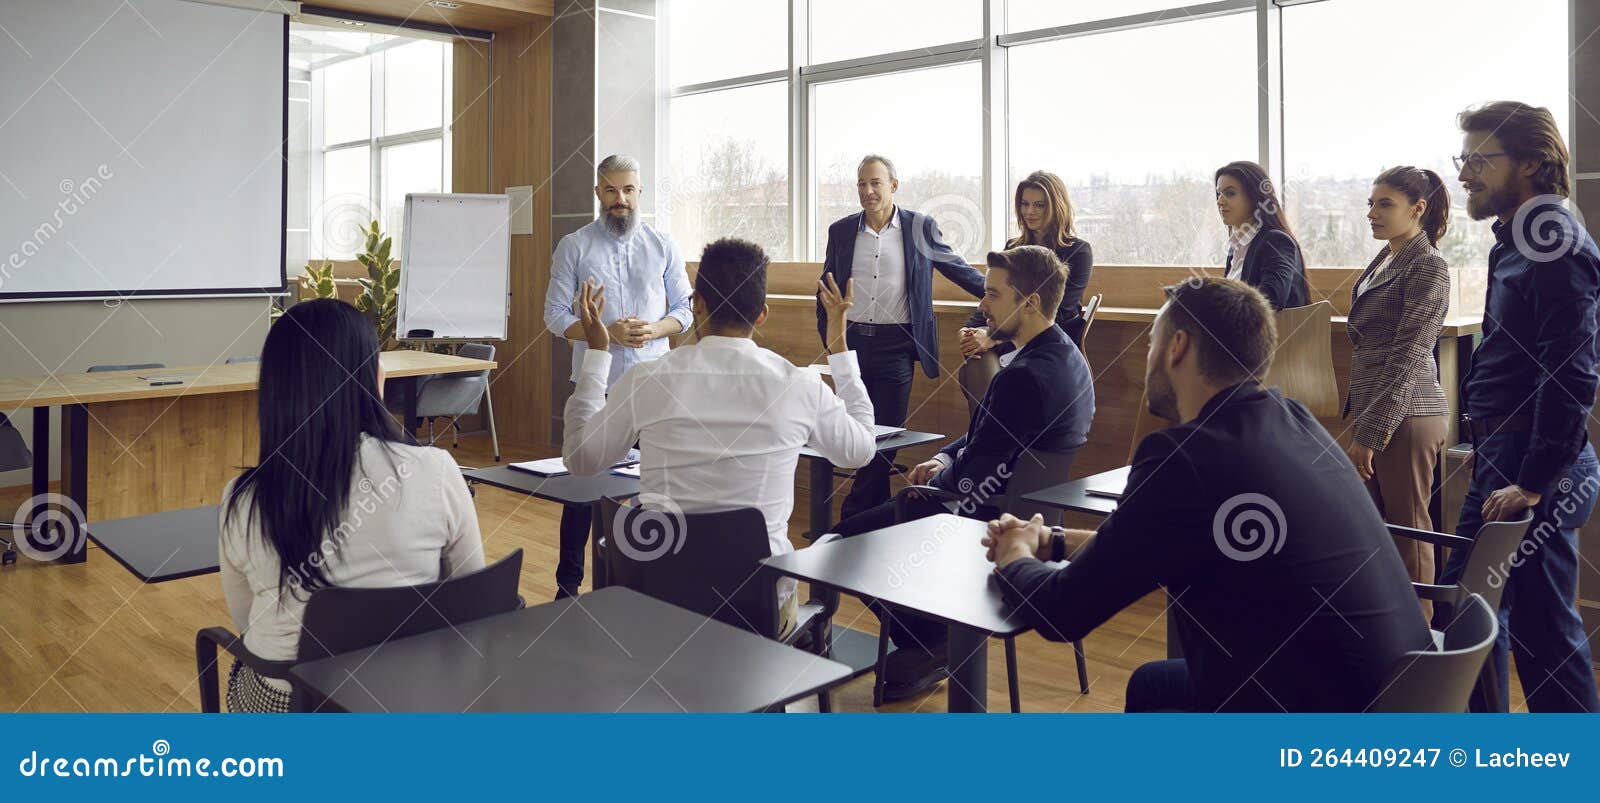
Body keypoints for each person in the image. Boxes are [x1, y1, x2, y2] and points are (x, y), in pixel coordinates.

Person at [984, 277, 1430, 712]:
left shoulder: (1182, 457)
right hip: (1411, 698)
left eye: (1151, 344)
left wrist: (1014, 554)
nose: (1147, 357)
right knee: (1154, 686)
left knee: (1162, 688)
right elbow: (1143, 545)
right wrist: (1052, 540)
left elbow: (1064, 612)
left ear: (1177, 347)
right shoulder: (1293, 419)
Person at [563, 238, 876, 634]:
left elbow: (580, 460)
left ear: (697, 303)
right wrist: (840, 351)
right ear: (761, 314)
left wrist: (596, 355)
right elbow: (860, 451)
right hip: (758, 614)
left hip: (660, 604)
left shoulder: (647, 379)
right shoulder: (800, 385)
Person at [830, 244, 1094, 700]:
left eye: (992, 294)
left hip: (983, 519)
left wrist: (935, 482)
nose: (982, 305)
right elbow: (989, 439)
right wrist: (946, 459)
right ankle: (933, 640)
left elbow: (979, 475)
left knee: (840, 544)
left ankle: (932, 638)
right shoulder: (1066, 355)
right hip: (1021, 508)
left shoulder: (1023, 376)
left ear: (1028, 302)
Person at [219, 299, 484, 713]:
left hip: (286, 707)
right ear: (372, 378)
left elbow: (246, 621)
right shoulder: (434, 469)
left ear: (275, 391)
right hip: (408, 703)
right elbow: (473, 597)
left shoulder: (242, 498)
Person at [1448, 100, 1600, 712]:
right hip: (1501, 454)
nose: (1464, 174)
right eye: (1463, 159)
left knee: (1542, 636)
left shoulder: (1553, 241)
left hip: (1532, 466)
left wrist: (1535, 482)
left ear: (1534, 163)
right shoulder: (1515, 238)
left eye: (1480, 160)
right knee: (1473, 620)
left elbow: (1571, 375)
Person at [543, 154, 694, 598]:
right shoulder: (574, 246)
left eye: (628, 190)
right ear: (598, 193)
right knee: (584, 486)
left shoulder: (664, 245)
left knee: (656, 488)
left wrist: (656, 329)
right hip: (598, 385)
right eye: (611, 191)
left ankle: (646, 587)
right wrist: (602, 334)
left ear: (639, 193)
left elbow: (684, 309)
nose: (620, 200)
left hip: (655, 386)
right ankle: (567, 587)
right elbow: (552, 316)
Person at [815, 154, 987, 523]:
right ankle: (873, 525)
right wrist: (830, 339)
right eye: (862, 184)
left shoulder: (918, 228)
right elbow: (826, 288)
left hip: (897, 346)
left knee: (886, 438)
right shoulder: (841, 231)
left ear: (893, 186)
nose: (868, 191)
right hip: (853, 344)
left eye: (875, 183)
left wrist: (1001, 295)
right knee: (857, 434)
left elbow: (956, 268)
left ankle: (852, 520)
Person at [1344, 166, 1453, 618]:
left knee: (1410, 532)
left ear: (1418, 208)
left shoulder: (1428, 266)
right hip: (1378, 414)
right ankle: (1387, 635)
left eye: (1384, 204)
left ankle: (1421, 644)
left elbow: (1408, 357)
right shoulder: (1387, 258)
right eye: (1371, 203)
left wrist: (1371, 433)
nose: (1372, 213)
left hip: (1406, 417)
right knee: (1374, 532)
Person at [958, 170, 1095, 415]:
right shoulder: (1013, 248)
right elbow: (993, 297)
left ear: (1056, 207)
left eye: (1039, 205)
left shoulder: (1078, 251)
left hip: (1048, 348)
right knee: (976, 363)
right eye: (1025, 204)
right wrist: (969, 332)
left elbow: (1057, 314)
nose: (1030, 211)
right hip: (1010, 344)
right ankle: (986, 441)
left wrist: (993, 338)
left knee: (987, 369)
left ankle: (991, 441)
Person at [1214, 160, 1309, 310]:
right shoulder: (1236, 247)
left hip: (1276, 332)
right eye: (1219, 194)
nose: (1220, 201)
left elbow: (1271, 299)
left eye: (1230, 193)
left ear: (1254, 196)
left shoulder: (1276, 241)